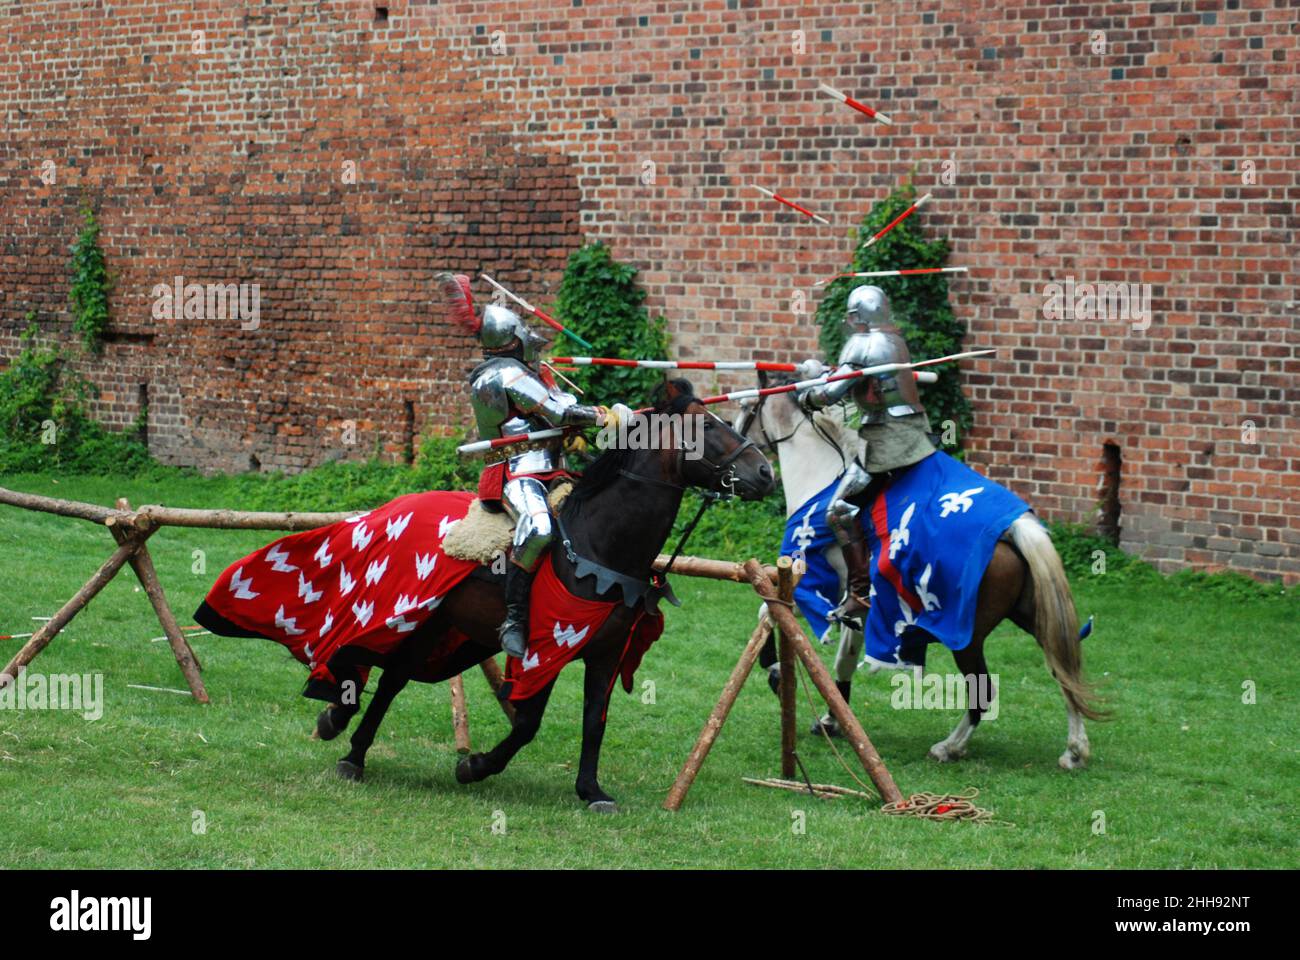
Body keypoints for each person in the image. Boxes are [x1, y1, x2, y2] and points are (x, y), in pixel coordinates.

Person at [438, 273, 631, 658]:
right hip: (515, 470)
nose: (531, 336)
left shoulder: (530, 372)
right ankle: (513, 617)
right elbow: (557, 411)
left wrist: (577, 432)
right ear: (510, 341)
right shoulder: (504, 374)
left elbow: (557, 411)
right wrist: (599, 415)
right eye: (523, 331)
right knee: (540, 528)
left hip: (551, 466)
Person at [795, 285, 936, 630]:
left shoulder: (860, 344)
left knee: (840, 510)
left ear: (858, 315)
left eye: (852, 316)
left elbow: (829, 395)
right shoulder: (894, 340)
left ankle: (859, 593)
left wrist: (807, 395)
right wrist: (833, 373)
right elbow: (851, 379)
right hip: (916, 428)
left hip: (886, 437)